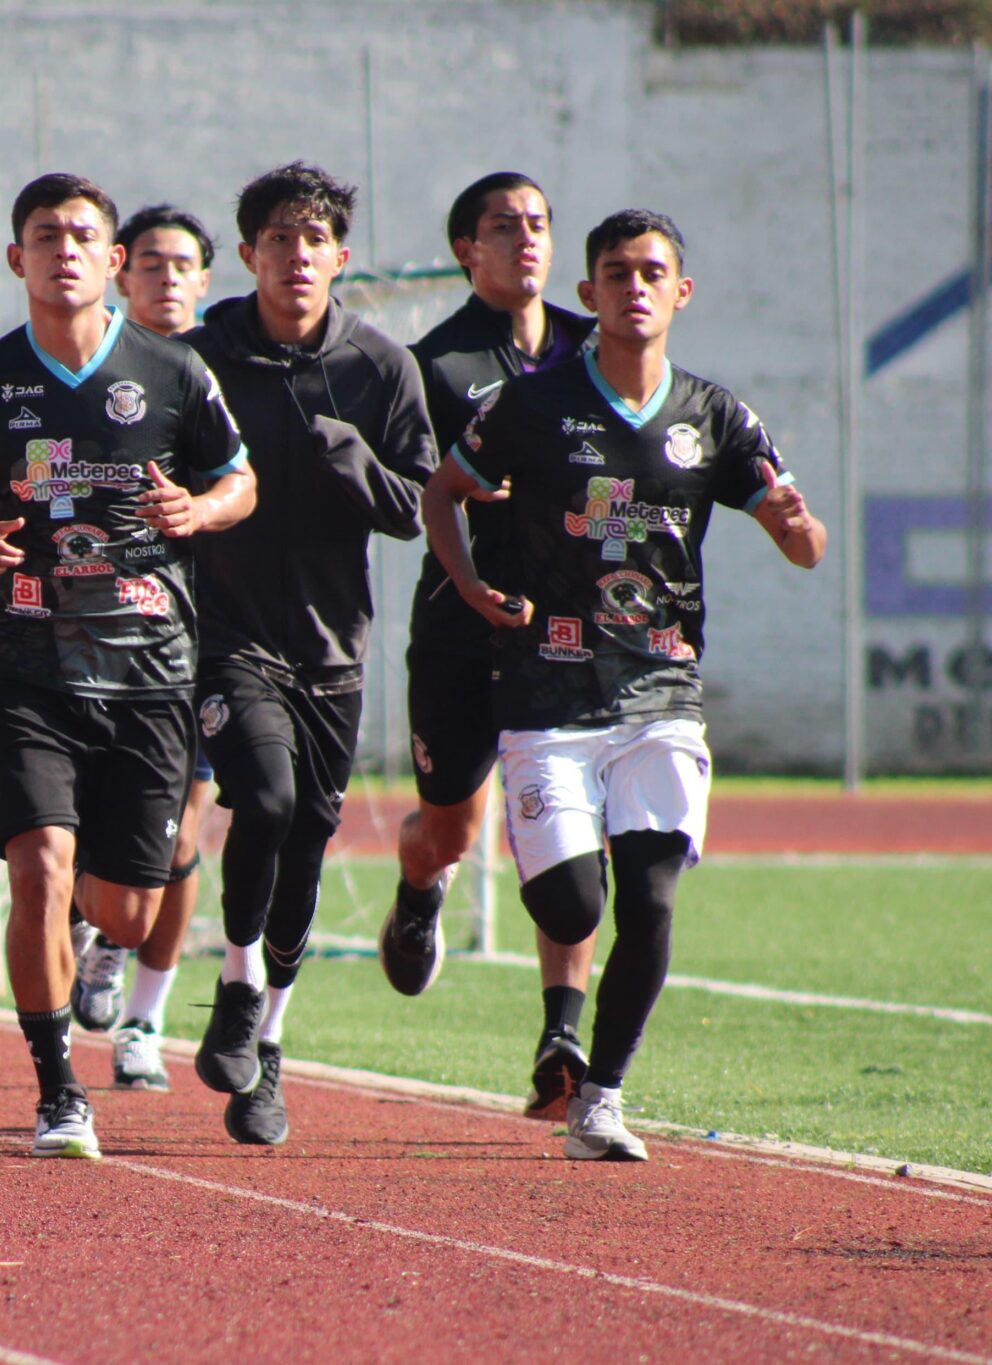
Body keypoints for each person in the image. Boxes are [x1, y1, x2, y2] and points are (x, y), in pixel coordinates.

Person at [422, 208, 825, 1160]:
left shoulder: (715, 416)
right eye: (616, 273)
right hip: (547, 691)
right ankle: (568, 894)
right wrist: (474, 586)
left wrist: (796, 526)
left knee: (649, 899)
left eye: (653, 273)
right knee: (573, 908)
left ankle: (599, 1097)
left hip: (661, 694)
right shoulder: (531, 404)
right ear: (588, 293)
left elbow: (804, 545)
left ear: (680, 292)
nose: (634, 288)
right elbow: (441, 492)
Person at [0, 173, 255, 1159]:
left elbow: (238, 480)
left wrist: (199, 511)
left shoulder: (172, 374)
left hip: (148, 672)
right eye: (43, 235)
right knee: (37, 869)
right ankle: (57, 1089)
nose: (62, 250)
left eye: (81, 236)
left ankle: (106, 948)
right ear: (17, 259)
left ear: (111, 262)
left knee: (125, 913)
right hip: (26, 667)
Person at [185, 161, 437, 1145]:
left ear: (340, 256)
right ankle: (238, 980)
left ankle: (270, 1050)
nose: (296, 255)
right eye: (277, 239)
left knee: (304, 845)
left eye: (313, 239)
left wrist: (355, 463)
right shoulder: (197, 360)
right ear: (247, 254)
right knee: (266, 802)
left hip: (332, 649)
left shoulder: (380, 369)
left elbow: (417, 510)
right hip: (225, 638)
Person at [378, 172, 600, 1120]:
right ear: (466, 250)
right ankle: (418, 879)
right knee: (456, 830)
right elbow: (415, 489)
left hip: (571, 638)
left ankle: (561, 1032)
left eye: (539, 223)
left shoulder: (598, 354)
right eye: (503, 226)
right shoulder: (433, 364)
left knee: (562, 836)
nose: (526, 239)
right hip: (462, 630)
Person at [70, 204, 220, 1094]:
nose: (167, 278)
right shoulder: (82, 368)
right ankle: (92, 938)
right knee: (84, 830)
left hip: (200, 636)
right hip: (83, 637)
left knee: (185, 829)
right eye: (151, 263)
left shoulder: (216, 371)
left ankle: (144, 1020)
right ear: (123, 273)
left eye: (183, 266)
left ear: (206, 280)